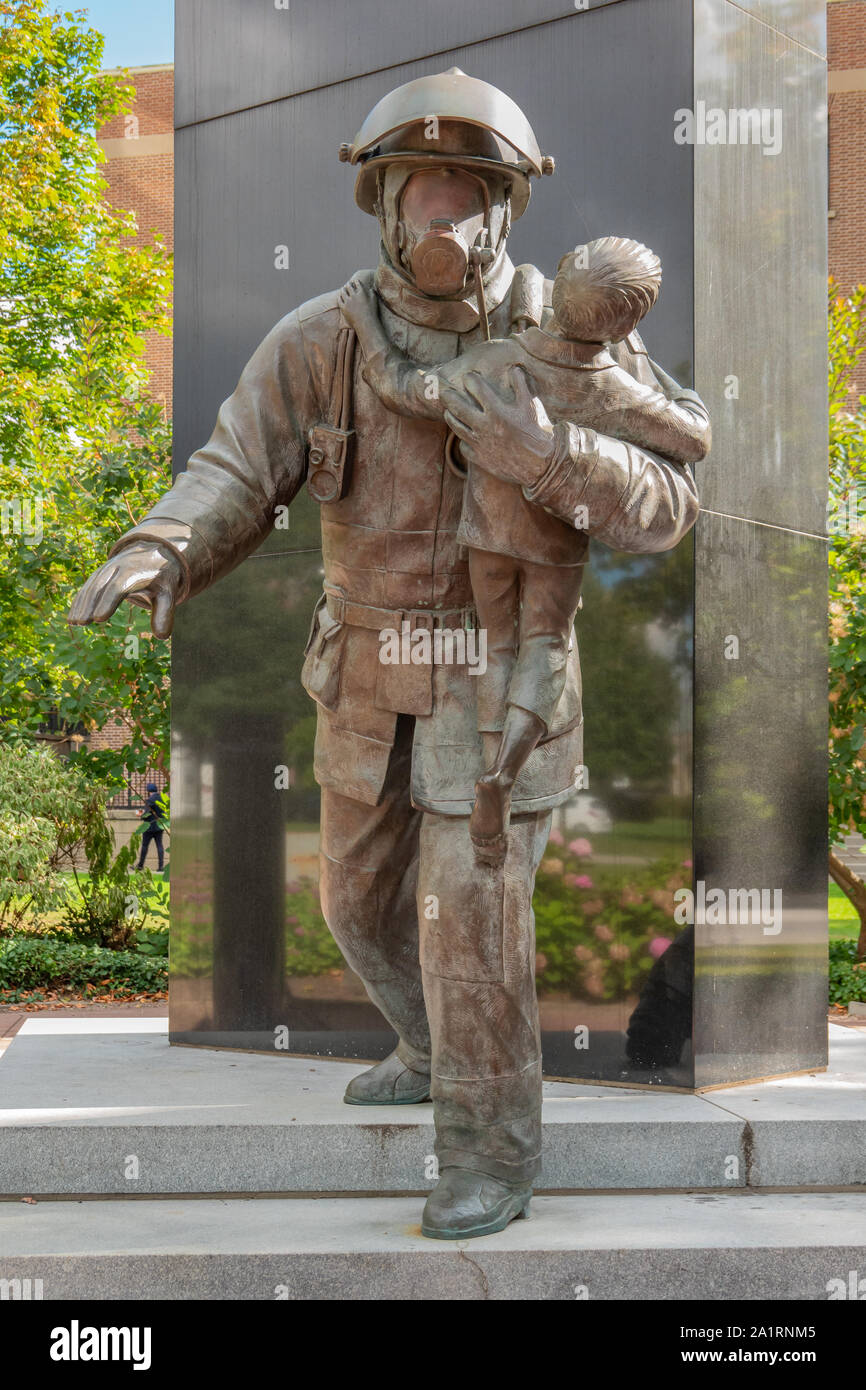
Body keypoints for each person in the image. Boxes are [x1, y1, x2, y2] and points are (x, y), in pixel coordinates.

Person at [68, 69, 704, 1240]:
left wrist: (550, 451)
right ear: (381, 203)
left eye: (467, 194)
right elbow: (232, 471)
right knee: (354, 902)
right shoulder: (318, 339)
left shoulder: (566, 340)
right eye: (422, 192)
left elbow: (669, 499)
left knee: (469, 914)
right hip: (365, 670)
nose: (442, 219)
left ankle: (487, 1148)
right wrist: (163, 549)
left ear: (507, 208)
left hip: (502, 670)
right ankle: (426, 1042)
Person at [337, 236, 710, 859]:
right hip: (554, 547)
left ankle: (486, 754)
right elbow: (694, 435)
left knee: (498, 646)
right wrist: (648, 369)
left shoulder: (490, 362)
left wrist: (363, 321)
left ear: (560, 279)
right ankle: (503, 776)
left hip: (487, 538)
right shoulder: (613, 390)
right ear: (624, 323)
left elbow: (398, 384)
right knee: (545, 646)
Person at [137, 783, 166, 872]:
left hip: (149, 827)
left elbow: (146, 814)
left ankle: (140, 866)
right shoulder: (161, 799)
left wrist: (140, 815)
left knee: (145, 846)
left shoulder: (150, 800)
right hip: (159, 826)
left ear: (148, 791)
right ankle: (161, 866)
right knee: (159, 845)